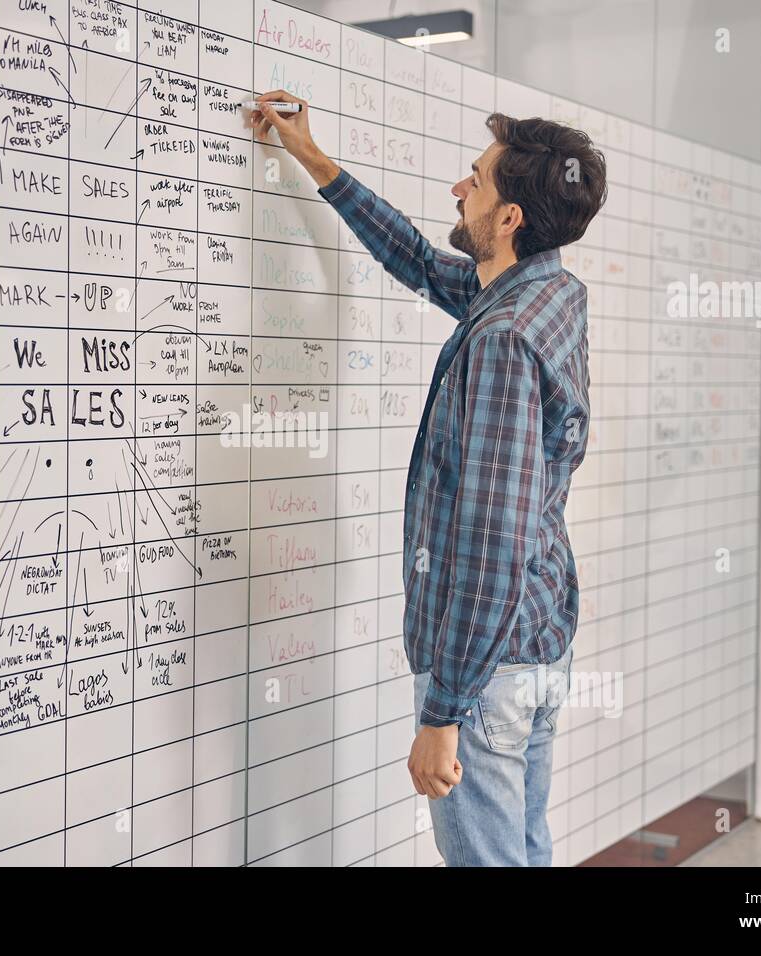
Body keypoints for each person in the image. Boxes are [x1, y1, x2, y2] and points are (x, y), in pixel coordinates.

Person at [248, 91, 607, 866]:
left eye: (474, 181)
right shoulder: (547, 293)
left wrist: (445, 712)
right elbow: (414, 258)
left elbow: (490, 538)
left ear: (508, 217)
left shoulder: (505, 339)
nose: (458, 189)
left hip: (488, 669)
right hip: (538, 645)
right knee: (526, 850)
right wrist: (312, 157)